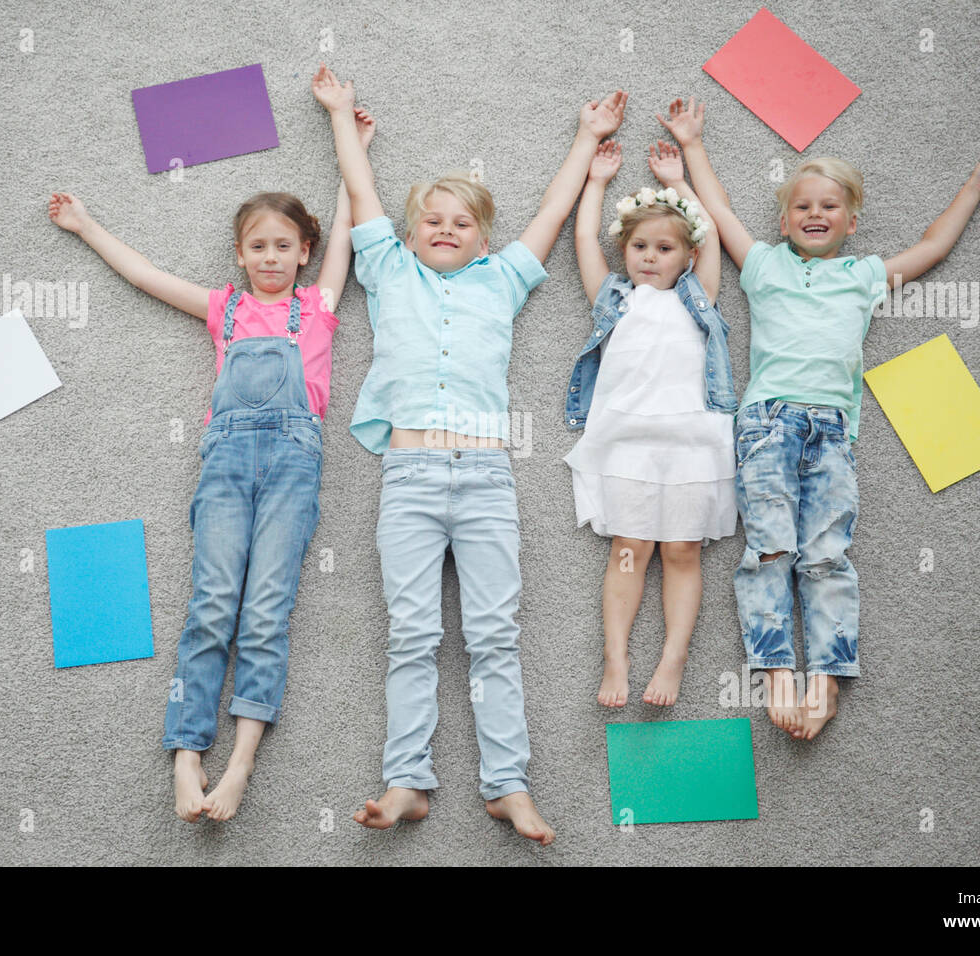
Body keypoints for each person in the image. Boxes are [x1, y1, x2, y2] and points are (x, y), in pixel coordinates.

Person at [314, 61, 628, 845]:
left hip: (487, 476)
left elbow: (553, 219)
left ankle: (508, 785)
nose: (446, 229)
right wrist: (340, 115)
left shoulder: (503, 280)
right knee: (412, 634)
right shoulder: (387, 271)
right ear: (410, 235)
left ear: (485, 239)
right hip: (410, 478)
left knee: (494, 636)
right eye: (433, 220)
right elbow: (364, 196)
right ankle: (406, 781)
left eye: (463, 221)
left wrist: (587, 137)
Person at [47, 105, 373, 821]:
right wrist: (88, 226)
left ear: (305, 251)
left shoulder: (317, 306)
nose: (269, 257)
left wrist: (354, 144)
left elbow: (351, 229)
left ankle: (241, 764)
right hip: (225, 465)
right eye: (257, 245)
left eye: (284, 245)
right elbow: (145, 276)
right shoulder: (221, 309)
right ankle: (188, 755)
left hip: (293, 464)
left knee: (265, 614)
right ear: (238, 252)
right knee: (211, 608)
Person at [669, 95, 980, 739]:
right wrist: (690, 149)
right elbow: (718, 213)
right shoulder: (763, 265)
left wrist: (973, 188)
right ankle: (776, 675)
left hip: (832, 430)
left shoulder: (862, 275)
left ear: (852, 222)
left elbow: (932, 248)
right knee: (770, 548)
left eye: (828, 207)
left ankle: (824, 676)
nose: (815, 214)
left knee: (826, 553)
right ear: (784, 219)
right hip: (766, 422)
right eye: (802, 206)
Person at [564, 138, 737, 708]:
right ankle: (616, 656)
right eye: (639, 245)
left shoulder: (699, 298)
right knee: (629, 547)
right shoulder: (614, 298)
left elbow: (708, 229)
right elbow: (586, 238)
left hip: (692, 441)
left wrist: (680, 181)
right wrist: (596, 182)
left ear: (687, 257)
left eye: (665, 248)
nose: (649, 256)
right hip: (628, 442)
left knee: (682, 552)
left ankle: (673, 656)